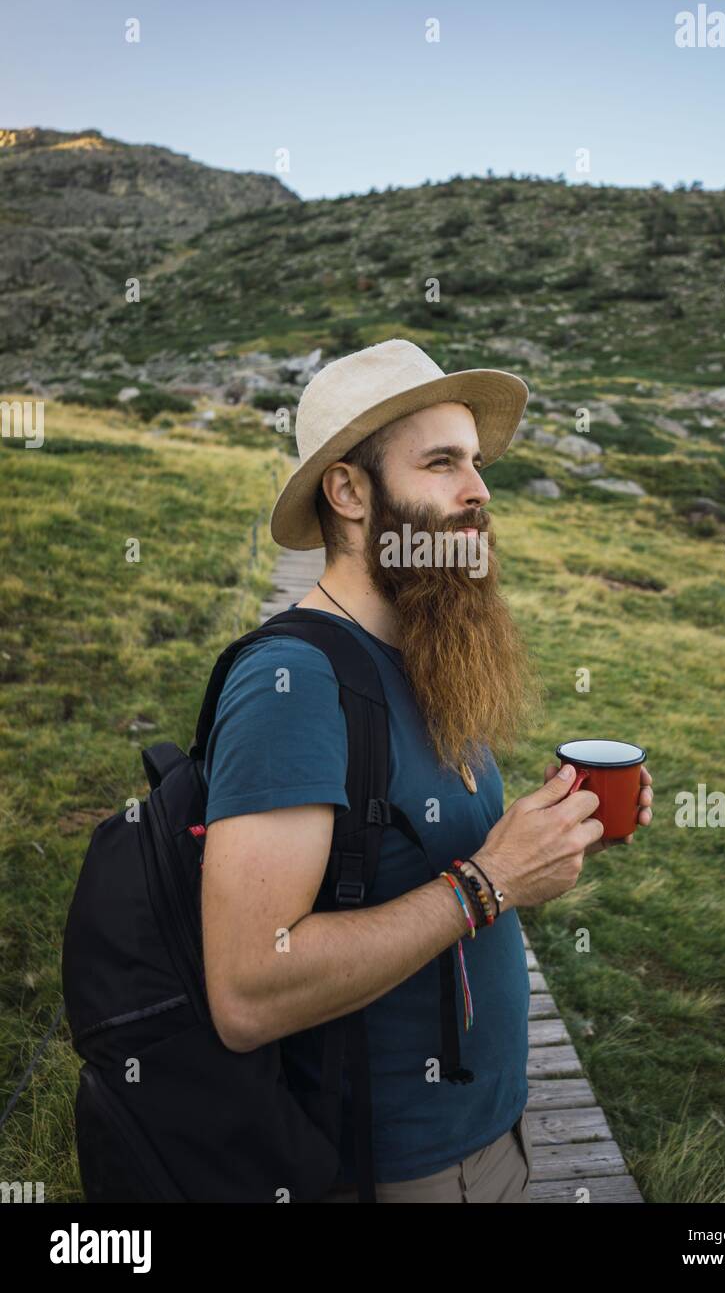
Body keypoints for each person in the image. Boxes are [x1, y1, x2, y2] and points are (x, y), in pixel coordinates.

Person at [201, 338, 653, 1203]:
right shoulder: (291, 686)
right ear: (348, 490)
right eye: (441, 462)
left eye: (476, 463)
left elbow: (416, 844)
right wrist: (486, 884)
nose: (478, 490)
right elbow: (249, 989)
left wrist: (551, 835)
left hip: (493, 1136)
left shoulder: (422, 644)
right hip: (392, 1167)